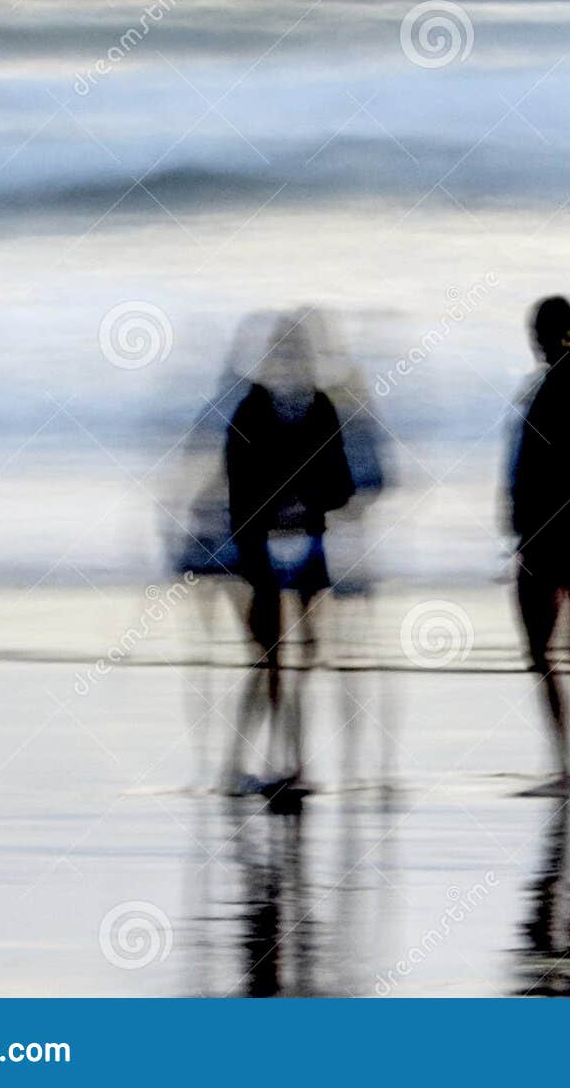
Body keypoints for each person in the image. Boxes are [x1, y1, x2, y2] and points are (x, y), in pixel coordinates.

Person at [223, 313, 355, 797]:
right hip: (287, 546)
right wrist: (304, 502)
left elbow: (239, 488)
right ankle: (285, 763)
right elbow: (341, 485)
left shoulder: (256, 409)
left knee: (277, 658)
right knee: (287, 657)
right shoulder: (311, 407)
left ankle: (271, 762)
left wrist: (280, 509)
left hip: (272, 545)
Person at [507, 296, 570, 795]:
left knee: (542, 649)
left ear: (545, 333)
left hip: (550, 536)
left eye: (534, 330)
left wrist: (529, 534)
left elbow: (548, 471)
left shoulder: (558, 388)